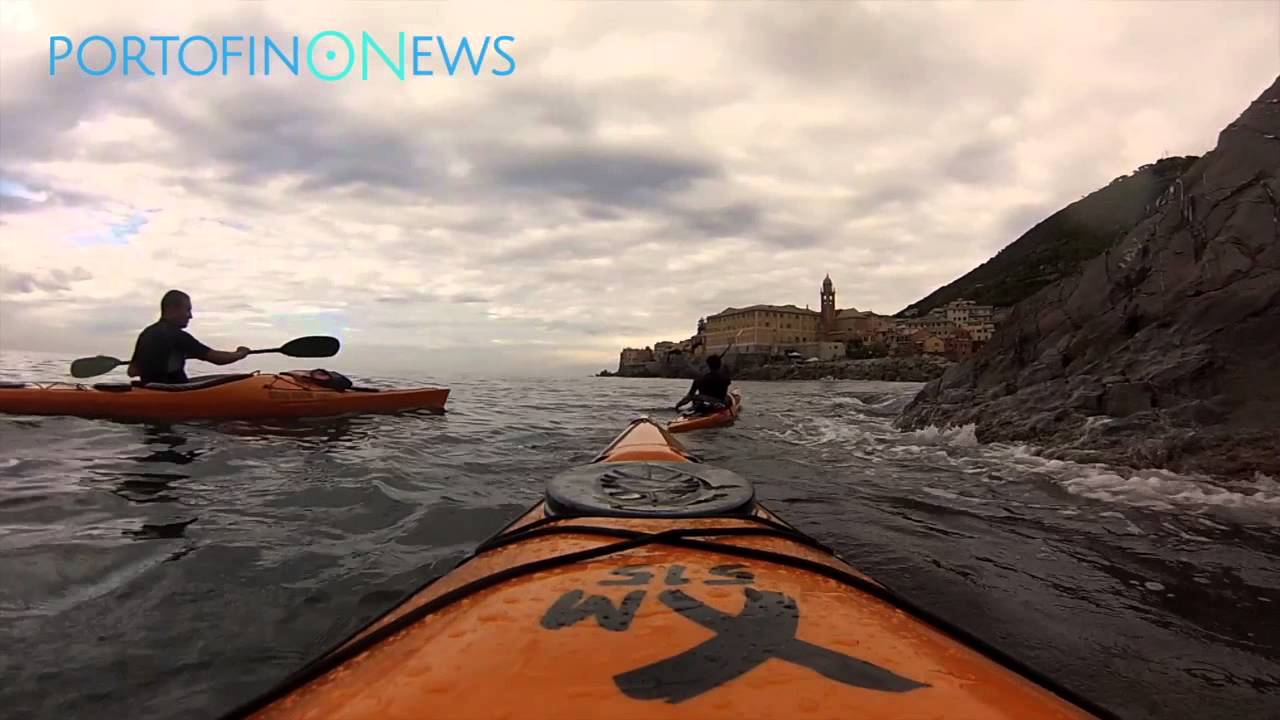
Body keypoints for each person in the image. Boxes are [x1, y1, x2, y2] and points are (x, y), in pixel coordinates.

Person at [126, 290, 250, 384]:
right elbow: (217, 359)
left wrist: (170, 357)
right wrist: (240, 354)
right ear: (173, 308)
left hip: (149, 389)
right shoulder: (176, 335)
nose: (190, 316)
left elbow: (132, 371)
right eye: (187, 310)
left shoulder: (146, 333)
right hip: (173, 393)